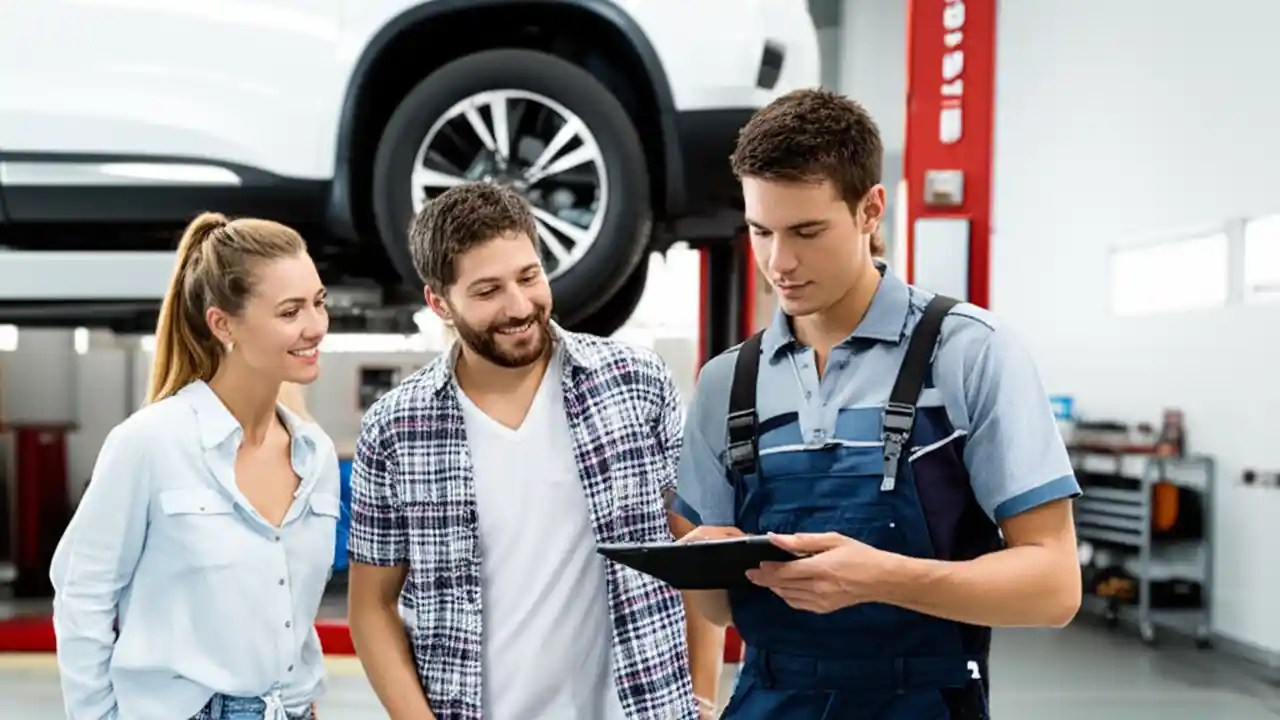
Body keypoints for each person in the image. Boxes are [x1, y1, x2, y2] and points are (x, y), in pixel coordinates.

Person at [670, 88, 1083, 718]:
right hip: (767, 701)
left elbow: (1054, 588)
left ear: (870, 209)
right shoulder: (727, 383)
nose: (780, 262)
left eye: (807, 231)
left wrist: (880, 577)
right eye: (760, 231)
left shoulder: (969, 354)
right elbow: (720, 610)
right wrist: (709, 561)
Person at [345, 181, 723, 720]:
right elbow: (372, 605)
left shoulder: (635, 383)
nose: (519, 305)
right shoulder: (397, 428)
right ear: (439, 302)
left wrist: (701, 699)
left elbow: (697, 553)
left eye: (529, 276)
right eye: (487, 290)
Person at [49, 211, 341, 720]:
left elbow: (291, 614)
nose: (315, 326)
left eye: (319, 303)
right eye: (290, 311)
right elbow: (82, 598)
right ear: (222, 324)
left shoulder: (316, 457)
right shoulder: (149, 444)